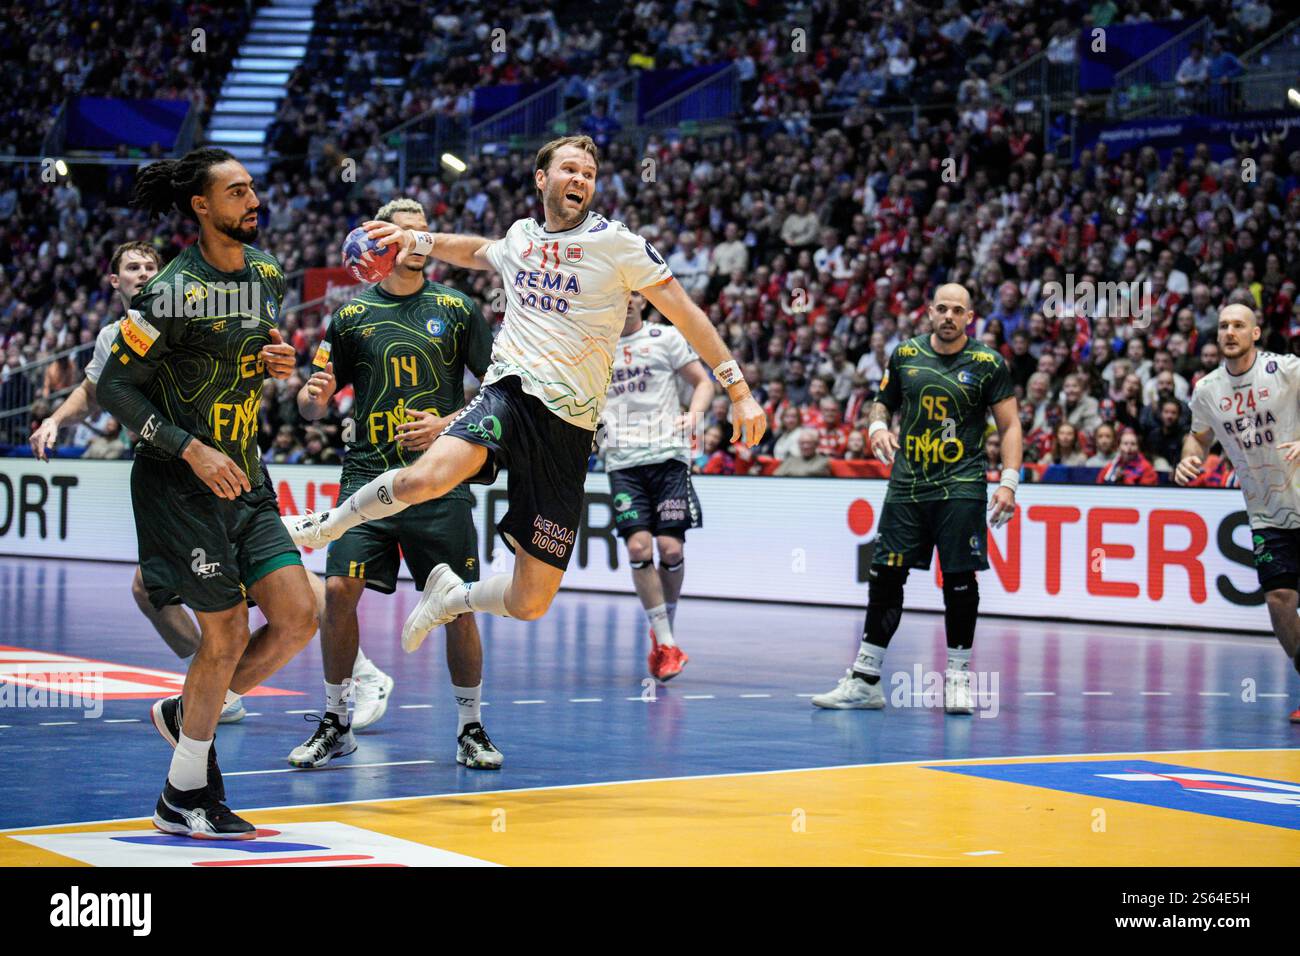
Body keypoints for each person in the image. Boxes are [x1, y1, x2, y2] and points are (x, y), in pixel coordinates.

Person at [284, 135, 766, 652]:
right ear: (542, 179)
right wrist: (417, 242)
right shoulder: (520, 238)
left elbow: (686, 311)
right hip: (509, 393)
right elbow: (474, 251)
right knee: (426, 476)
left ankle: (453, 597)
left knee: (531, 600)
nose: (581, 179)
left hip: (569, 427)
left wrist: (737, 389)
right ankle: (325, 525)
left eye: (589, 173)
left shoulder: (617, 244)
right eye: (569, 169)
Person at [97, 147, 321, 839]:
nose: (253, 201)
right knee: (223, 634)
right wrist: (189, 449)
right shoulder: (167, 291)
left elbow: (249, 352)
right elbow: (113, 385)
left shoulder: (265, 274)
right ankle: (184, 795)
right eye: (237, 192)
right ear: (201, 206)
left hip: (246, 478)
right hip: (179, 482)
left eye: (254, 189)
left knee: (297, 616)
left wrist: (276, 361)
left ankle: (184, 721)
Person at [286, 198, 502, 769]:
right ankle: (337, 721)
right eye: (399, 233)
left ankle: (471, 728)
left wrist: (447, 424)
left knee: (456, 605)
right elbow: (314, 405)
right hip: (366, 477)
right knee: (336, 593)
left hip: (438, 480)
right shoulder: (352, 317)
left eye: (422, 233)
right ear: (378, 242)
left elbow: (501, 388)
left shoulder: (458, 309)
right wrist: (311, 397)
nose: (412, 241)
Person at [812, 283, 1021, 715]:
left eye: (957, 310)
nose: (948, 316)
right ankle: (866, 681)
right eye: (941, 308)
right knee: (886, 576)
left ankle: (959, 680)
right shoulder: (905, 354)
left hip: (962, 486)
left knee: (960, 580)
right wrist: (876, 429)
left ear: (970, 317)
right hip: (907, 485)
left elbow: (1011, 425)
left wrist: (1009, 482)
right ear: (929, 312)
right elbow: (880, 403)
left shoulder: (988, 363)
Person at [1176, 304, 1300, 722]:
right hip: (1267, 512)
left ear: (1256, 333)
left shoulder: (1284, 370)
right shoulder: (1208, 389)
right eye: (1224, 326)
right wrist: (1188, 459)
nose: (1229, 332)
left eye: (1238, 326)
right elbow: (1198, 438)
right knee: (1279, 599)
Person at [602, 290, 713, 680]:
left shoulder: (664, 338)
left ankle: (664, 624)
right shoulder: (595, 346)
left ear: (643, 301)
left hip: (668, 455)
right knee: (637, 545)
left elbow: (703, 382)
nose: (627, 301)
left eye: (633, 294)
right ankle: (666, 643)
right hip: (622, 460)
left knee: (669, 547)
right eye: (620, 295)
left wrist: (694, 416)